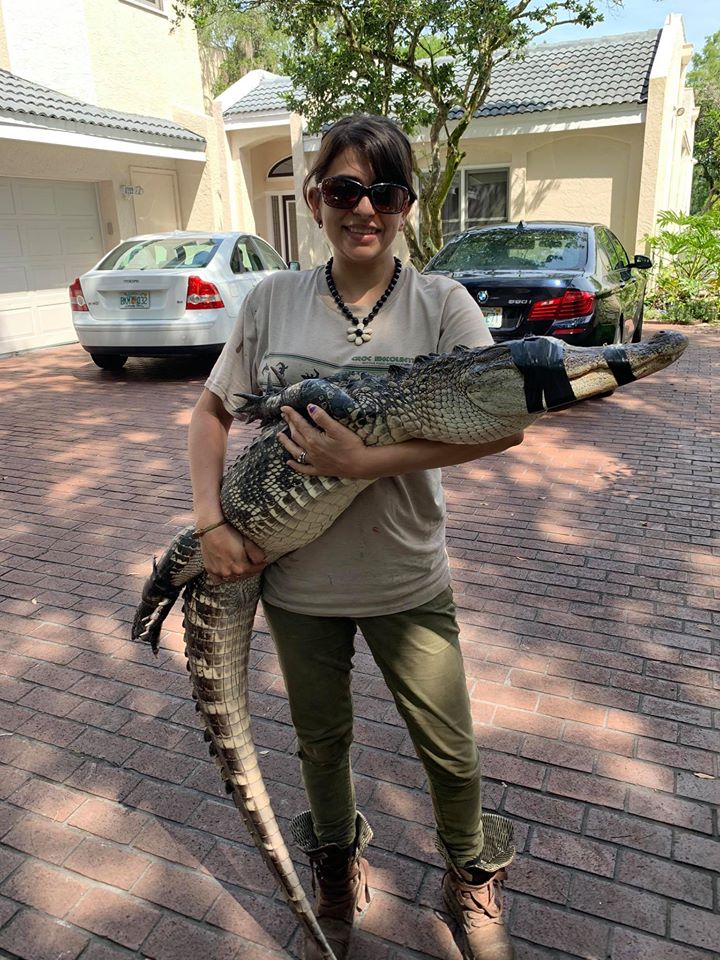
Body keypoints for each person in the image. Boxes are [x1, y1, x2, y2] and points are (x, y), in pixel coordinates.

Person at [188, 114, 522, 960]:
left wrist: (367, 459)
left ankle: (470, 873)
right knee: (320, 744)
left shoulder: (442, 303)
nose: (364, 208)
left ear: (407, 203)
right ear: (314, 199)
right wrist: (210, 523)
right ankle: (336, 866)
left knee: (449, 748)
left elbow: (501, 424)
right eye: (344, 190)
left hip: (408, 576)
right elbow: (209, 413)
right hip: (298, 585)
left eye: (385, 191)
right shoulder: (271, 300)